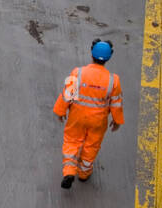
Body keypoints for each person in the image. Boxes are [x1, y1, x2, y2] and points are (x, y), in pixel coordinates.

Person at [52, 39, 124, 188]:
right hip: (98, 121)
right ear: (110, 57)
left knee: (72, 141)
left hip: (77, 116)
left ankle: (69, 171)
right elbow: (116, 103)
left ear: (92, 54)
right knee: (91, 145)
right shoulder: (113, 81)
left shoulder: (78, 73)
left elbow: (67, 94)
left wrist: (61, 110)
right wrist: (117, 120)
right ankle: (84, 173)